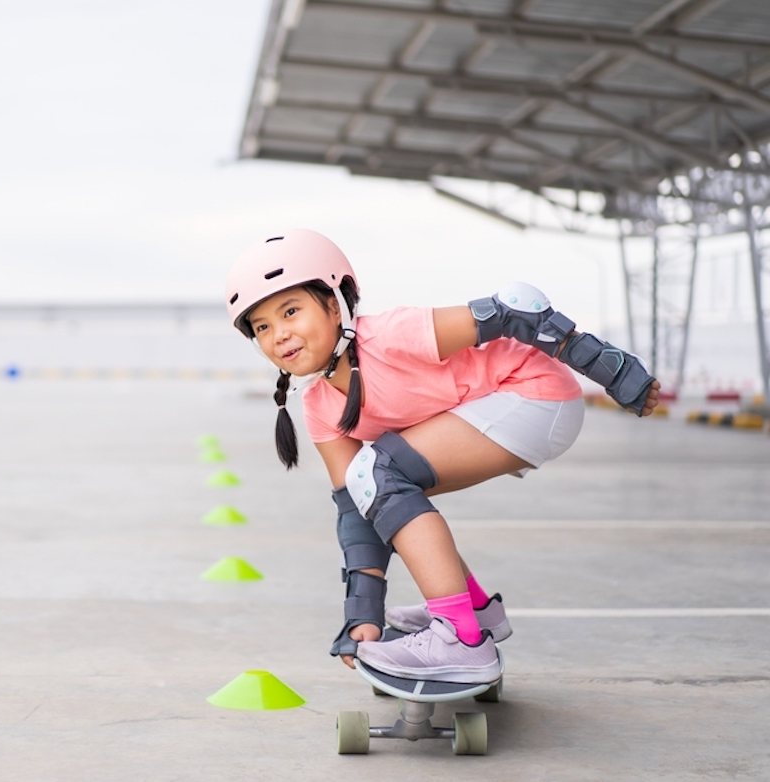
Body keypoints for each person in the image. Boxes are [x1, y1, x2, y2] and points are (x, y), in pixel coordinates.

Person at [224, 229, 660, 684]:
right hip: (499, 413)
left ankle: (459, 638)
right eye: (262, 327)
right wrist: (362, 615)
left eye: (290, 311)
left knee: (379, 472)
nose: (279, 334)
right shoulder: (319, 405)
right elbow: (355, 509)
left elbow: (515, 310)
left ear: (335, 305)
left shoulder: (389, 336)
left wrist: (615, 372)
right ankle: (473, 610)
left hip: (534, 394)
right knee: (374, 490)